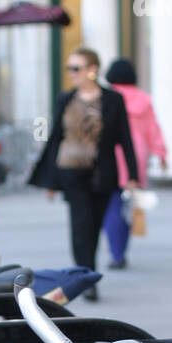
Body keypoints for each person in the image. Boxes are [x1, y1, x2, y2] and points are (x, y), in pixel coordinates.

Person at [28, 46, 139, 300]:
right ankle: (85, 279)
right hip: (71, 170)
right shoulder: (65, 99)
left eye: (76, 68)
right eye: (69, 68)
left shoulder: (113, 99)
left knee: (94, 226)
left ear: (92, 70)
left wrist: (132, 174)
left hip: (102, 173)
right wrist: (50, 180)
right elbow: (56, 138)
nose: (71, 73)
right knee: (80, 226)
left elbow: (125, 138)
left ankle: (86, 273)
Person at [102, 58, 167, 268]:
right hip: (135, 157)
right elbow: (153, 129)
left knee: (111, 206)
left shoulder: (106, 97)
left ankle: (116, 253)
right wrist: (161, 153)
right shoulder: (144, 99)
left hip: (111, 155)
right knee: (128, 207)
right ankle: (122, 250)